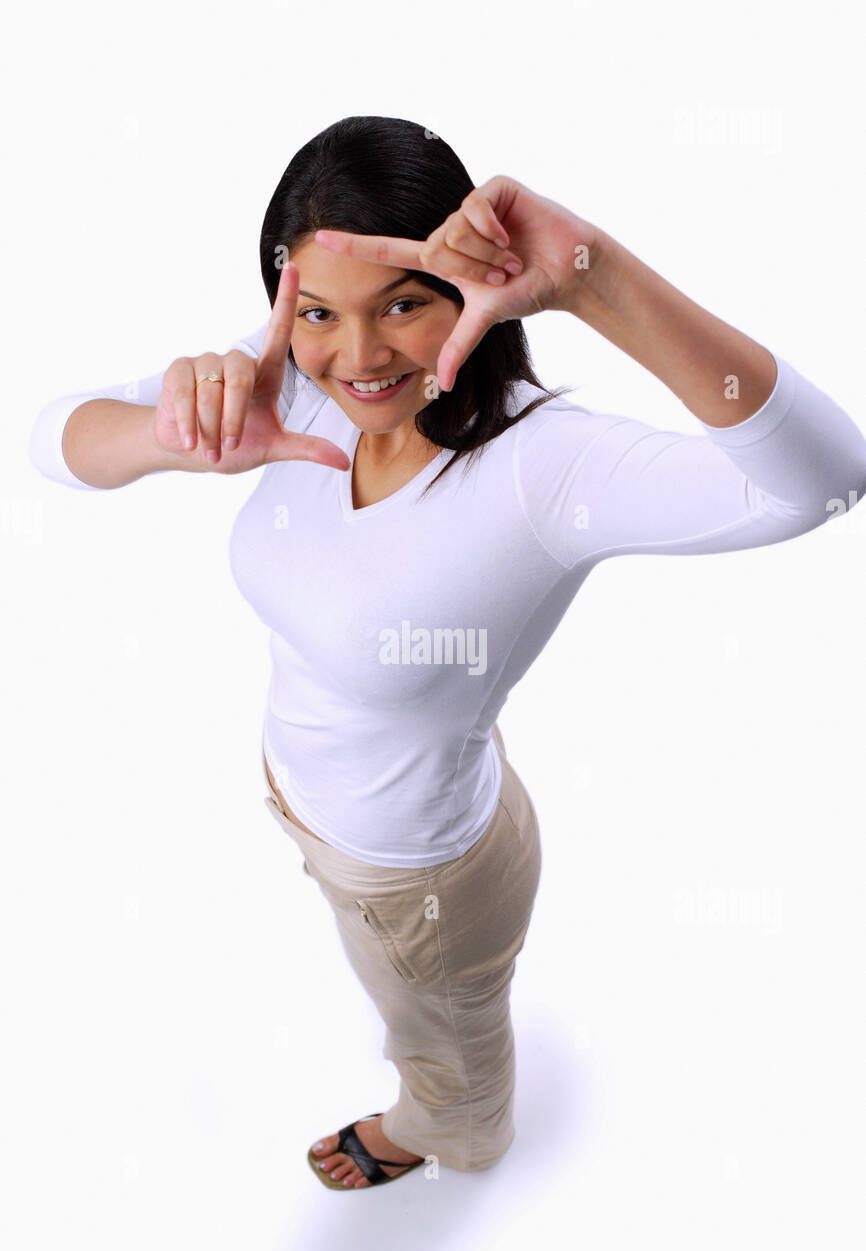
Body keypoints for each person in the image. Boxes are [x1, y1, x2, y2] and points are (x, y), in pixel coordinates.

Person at [29, 115, 866, 1192]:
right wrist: (171, 438)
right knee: (406, 990)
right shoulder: (287, 373)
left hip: (417, 875)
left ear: (474, 283)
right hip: (329, 807)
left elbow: (825, 479)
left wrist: (591, 276)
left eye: (404, 305)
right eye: (320, 311)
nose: (358, 356)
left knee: (442, 1035)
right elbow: (53, 436)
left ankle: (451, 1132)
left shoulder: (543, 466)